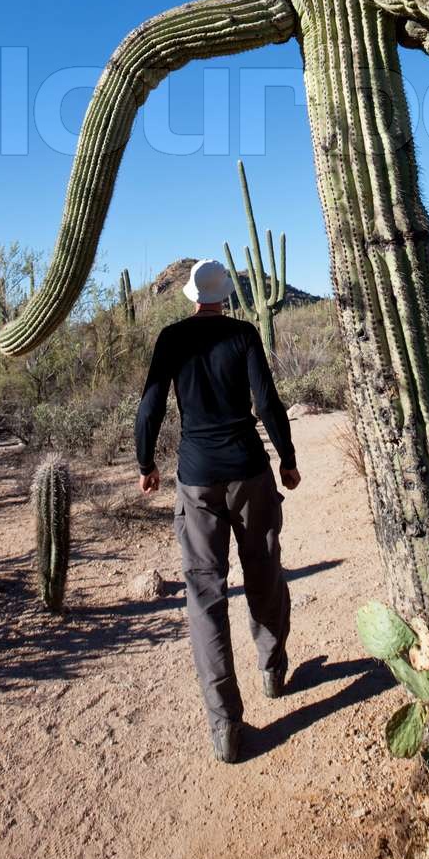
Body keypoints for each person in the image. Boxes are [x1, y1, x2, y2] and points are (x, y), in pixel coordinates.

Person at [135, 258, 300, 764]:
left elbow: (150, 406)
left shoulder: (170, 339)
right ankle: (272, 669)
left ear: (190, 296)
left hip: (197, 478)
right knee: (264, 570)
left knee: (205, 594)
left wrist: (146, 461)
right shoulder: (244, 334)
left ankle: (225, 723)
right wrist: (287, 458)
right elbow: (267, 402)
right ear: (226, 294)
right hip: (249, 471)